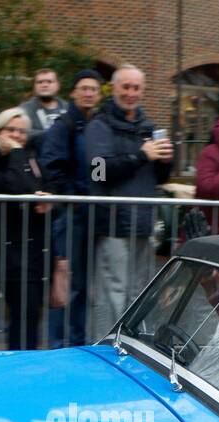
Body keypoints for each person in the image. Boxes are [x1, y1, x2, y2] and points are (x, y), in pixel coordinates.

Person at [84, 64, 172, 341]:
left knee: (139, 293)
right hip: (114, 223)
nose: (131, 93)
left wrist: (167, 160)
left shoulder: (150, 128)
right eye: (126, 87)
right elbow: (98, 169)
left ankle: (131, 347)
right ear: (114, 88)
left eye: (136, 88)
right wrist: (141, 156)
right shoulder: (99, 125)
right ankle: (104, 349)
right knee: (113, 295)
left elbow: (159, 176)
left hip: (144, 223)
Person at [0, 108, 51, 350]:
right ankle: (20, 361)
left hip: (32, 250)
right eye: (11, 130)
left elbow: (37, 188)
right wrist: (17, 154)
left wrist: (47, 202)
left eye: (22, 131)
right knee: (24, 310)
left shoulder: (29, 157)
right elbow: (14, 186)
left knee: (30, 314)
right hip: (5, 252)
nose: (17, 135)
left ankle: (26, 360)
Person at [39, 68, 102, 347]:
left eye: (94, 89)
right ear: (74, 93)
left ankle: (76, 341)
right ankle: (58, 344)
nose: (89, 93)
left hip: (91, 214)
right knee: (66, 281)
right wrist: (73, 200)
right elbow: (52, 167)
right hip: (70, 215)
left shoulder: (97, 124)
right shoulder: (63, 126)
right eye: (84, 88)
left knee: (83, 284)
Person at [18, 68, 65, 148]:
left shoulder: (68, 108)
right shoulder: (24, 109)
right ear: (34, 87)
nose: (44, 85)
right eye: (40, 82)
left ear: (58, 85)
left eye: (49, 82)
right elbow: (20, 133)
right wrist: (52, 134)